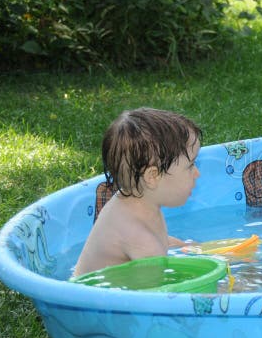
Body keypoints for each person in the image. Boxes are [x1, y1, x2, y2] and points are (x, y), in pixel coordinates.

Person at [73, 107, 202, 276]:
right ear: (152, 177)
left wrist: (185, 246)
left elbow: (161, 241)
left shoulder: (135, 204)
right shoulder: (143, 241)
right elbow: (156, 295)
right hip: (91, 300)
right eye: (190, 166)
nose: (197, 173)